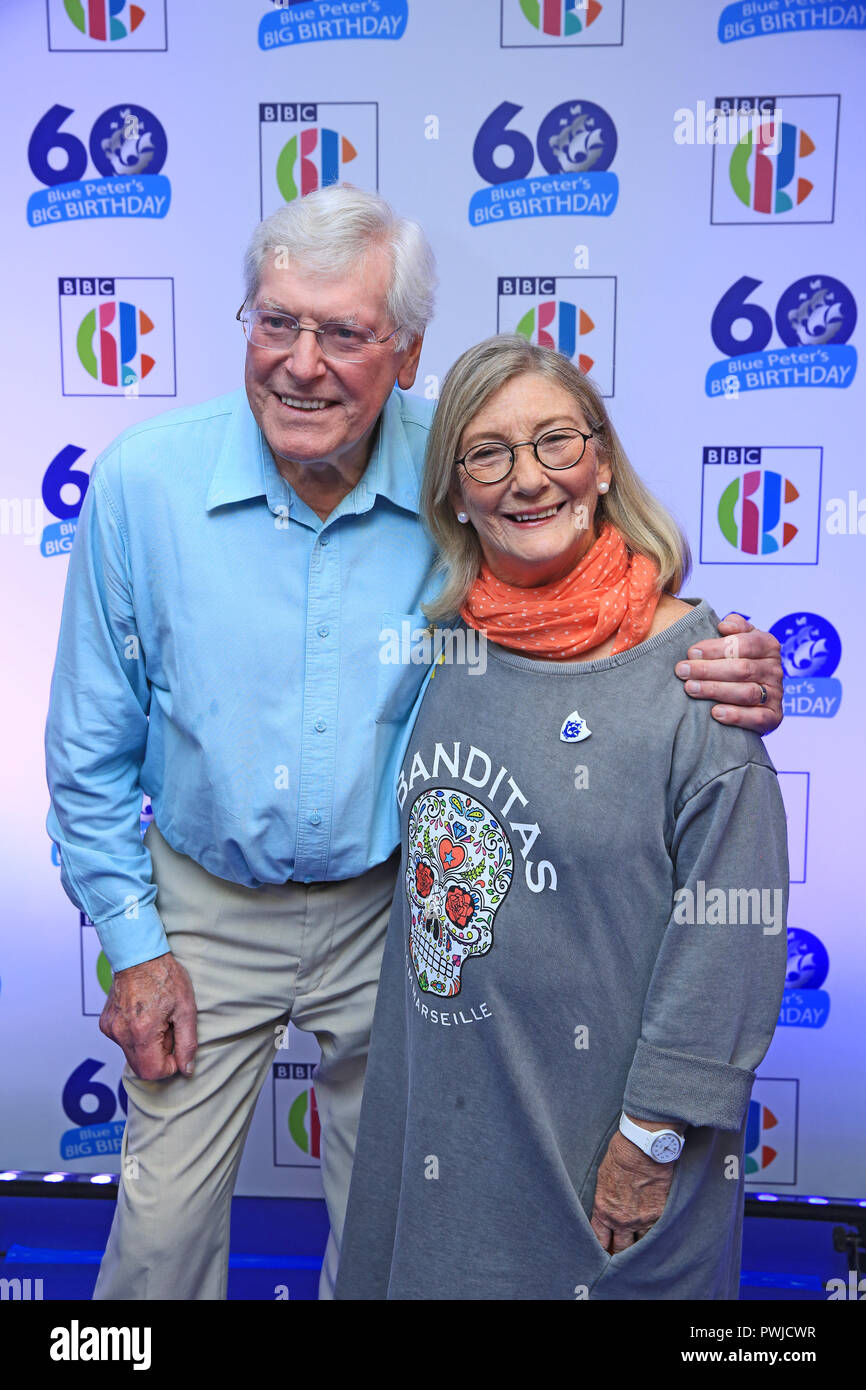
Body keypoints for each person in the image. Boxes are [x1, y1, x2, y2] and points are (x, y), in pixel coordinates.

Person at [44, 185, 784, 1303]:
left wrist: (728, 657)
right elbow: (86, 746)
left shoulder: (467, 469)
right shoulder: (142, 485)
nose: (301, 362)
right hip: (200, 904)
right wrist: (132, 941)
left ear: (403, 352)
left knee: (398, 1223)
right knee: (155, 1239)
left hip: (397, 915)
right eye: (276, 320)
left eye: (343, 331)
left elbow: (593, 579)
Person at [334, 335, 789, 1301]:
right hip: (445, 1139)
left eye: (555, 441)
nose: (526, 479)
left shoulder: (704, 677)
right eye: (487, 453)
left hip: (603, 1153)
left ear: (604, 461)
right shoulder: (451, 644)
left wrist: (654, 1135)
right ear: (455, 490)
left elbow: (734, 937)